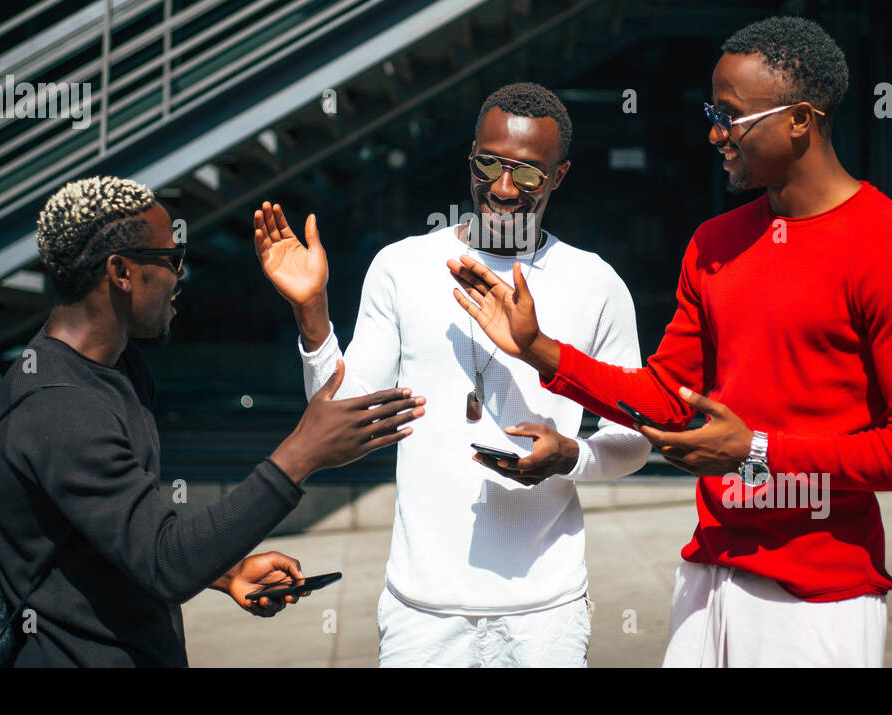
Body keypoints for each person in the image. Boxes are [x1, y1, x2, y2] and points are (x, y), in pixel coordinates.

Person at [450, 18, 892, 667]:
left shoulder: (888, 249)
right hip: (708, 572)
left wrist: (755, 453)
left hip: (817, 597)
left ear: (802, 119)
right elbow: (667, 396)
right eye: (711, 111)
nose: (715, 134)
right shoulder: (715, 243)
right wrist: (539, 349)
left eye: (732, 116)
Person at [254, 82, 650, 667]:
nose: (504, 187)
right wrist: (313, 317)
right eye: (488, 163)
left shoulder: (595, 284)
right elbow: (340, 419)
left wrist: (572, 456)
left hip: (546, 613)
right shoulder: (402, 266)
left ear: (560, 176)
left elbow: (636, 437)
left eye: (529, 174)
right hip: (421, 611)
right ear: (470, 154)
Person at [0, 176, 425, 666]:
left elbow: (128, 538)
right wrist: (300, 455)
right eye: (171, 260)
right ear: (121, 271)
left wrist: (224, 572)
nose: (181, 275)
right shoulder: (57, 407)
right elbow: (166, 563)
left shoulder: (120, 370)